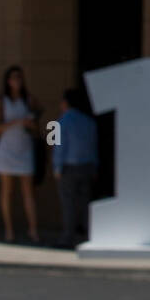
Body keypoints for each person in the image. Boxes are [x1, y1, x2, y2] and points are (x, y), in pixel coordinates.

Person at [0, 64, 41, 243]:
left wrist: (30, 124)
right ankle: (9, 230)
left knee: (28, 191)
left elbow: (39, 126)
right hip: (7, 148)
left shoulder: (29, 99)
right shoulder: (1, 101)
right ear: (7, 81)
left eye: (19, 77)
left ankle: (33, 230)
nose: (16, 81)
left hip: (24, 148)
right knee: (8, 191)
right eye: (13, 77)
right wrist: (16, 122)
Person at [53, 86, 99, 248]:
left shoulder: (61, 122)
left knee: (68, 203)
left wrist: (56, 167)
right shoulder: (88, 121)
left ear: (65, 103)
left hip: (68, 167)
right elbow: (94, 145)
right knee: (84, 202)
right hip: (87, 166)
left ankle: (67, 237)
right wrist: (95, 165)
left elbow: (57, 146)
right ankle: (89, 234)